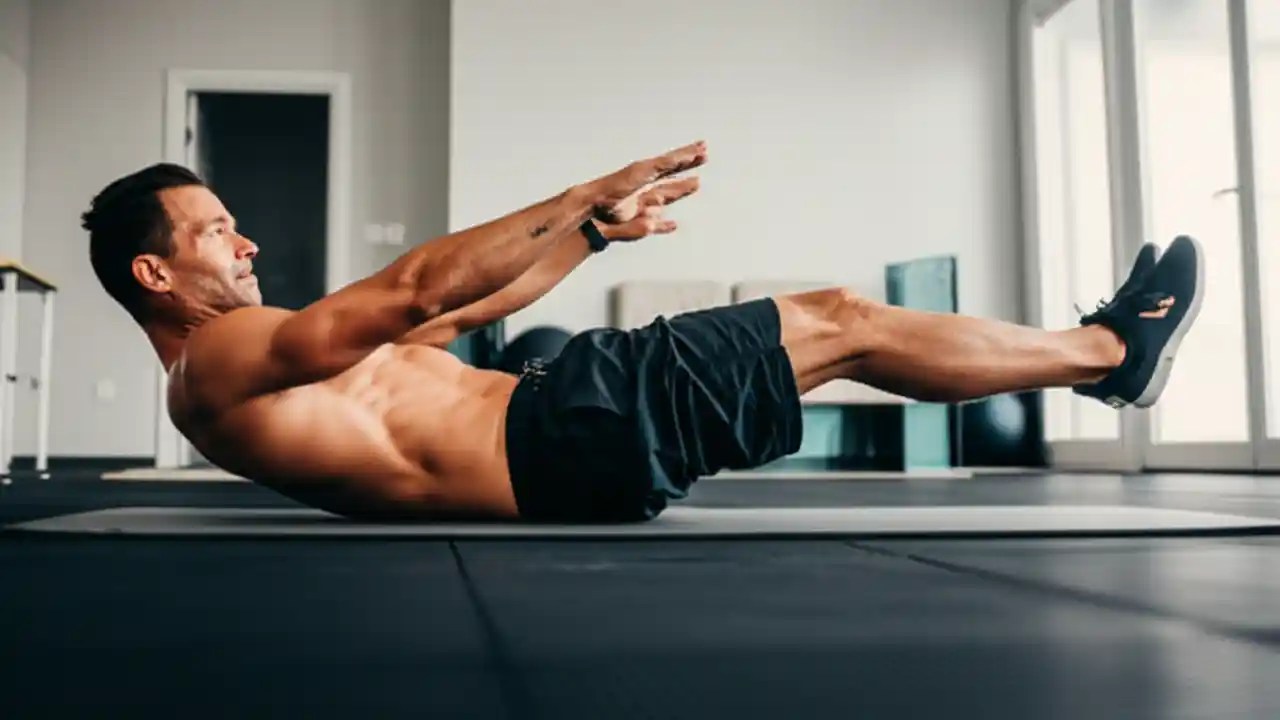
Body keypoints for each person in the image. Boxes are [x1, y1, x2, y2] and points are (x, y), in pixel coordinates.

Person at [81, 141, 1204, 523]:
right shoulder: (218, 360)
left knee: (839, 336)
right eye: (218, 233)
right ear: (155, 272)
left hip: (562, 433)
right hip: (568, 428)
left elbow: (455, 319)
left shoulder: (242, 378)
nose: (247, 248)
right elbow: (408, 291)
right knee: (840, 320)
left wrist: (594, 241)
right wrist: (580, 191)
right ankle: (1109, 353)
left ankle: (1100, 356)